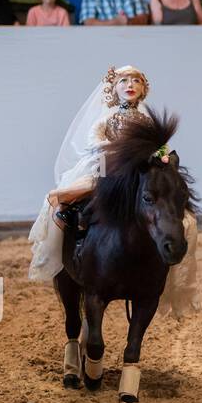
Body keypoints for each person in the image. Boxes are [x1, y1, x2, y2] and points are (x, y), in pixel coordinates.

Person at [27, 66, 152, 282]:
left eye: (136, 81)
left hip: (139, 170)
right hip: (109, 166)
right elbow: (94, 140)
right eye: (124, 81)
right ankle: (71, 224)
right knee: (92, 187)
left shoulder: (147, 120)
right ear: (113, 89)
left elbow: (158, 143)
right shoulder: (107, 119)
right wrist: (113, 148)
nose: (130, 85)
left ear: (143, 89)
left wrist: (159, 153)